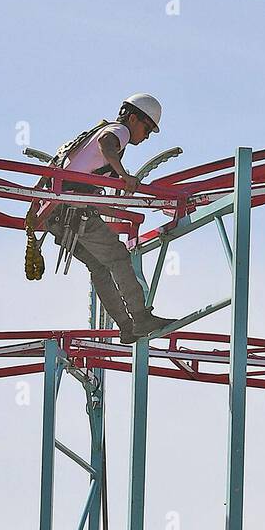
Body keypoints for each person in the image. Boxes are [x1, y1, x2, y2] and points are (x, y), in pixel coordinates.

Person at [44, 93, 175, 344]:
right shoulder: (118, 131)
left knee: (100, 267)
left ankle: (127, 327)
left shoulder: (92, 140)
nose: (146, 136)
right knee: (118, 257)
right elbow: (107, 143)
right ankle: (140, 318)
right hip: (75, 211)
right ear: (133, 118)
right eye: (147, 129)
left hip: (58, 218)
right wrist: (124, 175)